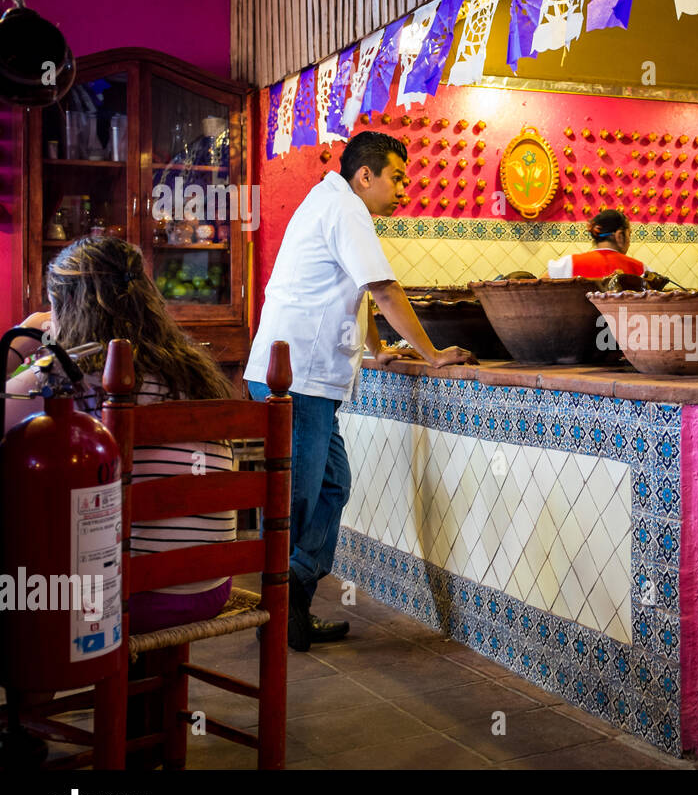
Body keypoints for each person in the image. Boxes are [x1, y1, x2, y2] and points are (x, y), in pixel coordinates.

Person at [243, 130, 475, 652]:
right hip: (295, 377)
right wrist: (432, 354)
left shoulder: (330, 200)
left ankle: (289, 600)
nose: (403, 189)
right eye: (396, 177)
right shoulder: (346, 208)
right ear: (364, 175)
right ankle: (278, 610)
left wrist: (374, 351)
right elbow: (384, 288)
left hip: (298, 376)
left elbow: (356, 291)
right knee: (299, 499)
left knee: (329, 487)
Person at [4, 237, 238, 634]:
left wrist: (26, 332)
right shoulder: (192, 371)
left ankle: (38, 685)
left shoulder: (66, 376)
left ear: (64, 308)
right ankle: (151, 694)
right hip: (210, 584)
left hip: (128, 595)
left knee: (20, 576)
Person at [547, 209, 645, 278]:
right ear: (619, 236)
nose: (629, 242)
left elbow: (538, 287)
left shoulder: (570, 263)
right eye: (629, 234)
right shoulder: (640, 269)